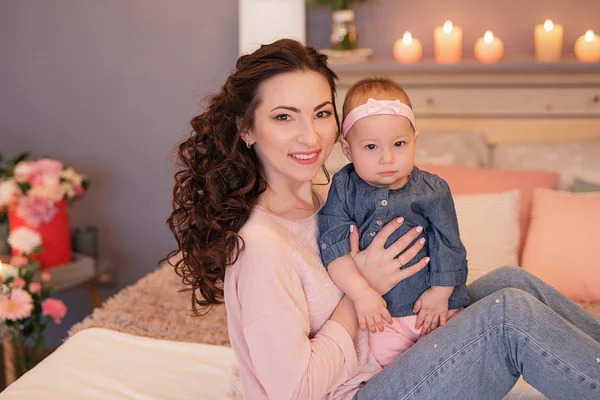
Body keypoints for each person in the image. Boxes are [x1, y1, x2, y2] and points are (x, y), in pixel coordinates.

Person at [165, 39, 600, 400]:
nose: (310, 135)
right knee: (510, 316)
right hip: (356, 392)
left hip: (393, 354)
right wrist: (361, 290)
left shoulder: (330, 196)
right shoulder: (262, 245)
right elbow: (294, 390)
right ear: (247, 129)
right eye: (284, 117)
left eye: (320, 113)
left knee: (511, 282)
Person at [317, 78, 468, 368]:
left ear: (415, 140)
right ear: (347, 150)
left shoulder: (432, 189)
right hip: (382, 317)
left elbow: (449, 243)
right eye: (371, 147)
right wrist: (361, 294)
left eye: (399, 144)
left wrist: (441, 293)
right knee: (391, 372)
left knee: (450, 365)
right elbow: (333, 246)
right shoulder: (343, 188)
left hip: (437, 309)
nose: (387, 158)